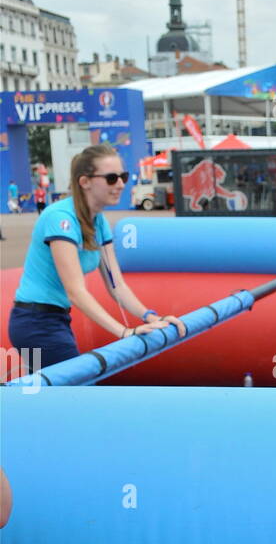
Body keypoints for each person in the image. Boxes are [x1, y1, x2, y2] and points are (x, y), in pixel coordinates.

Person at [7, 143, 184, 373]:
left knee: (54, 398)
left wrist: (150, 316)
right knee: (73, 393)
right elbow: (76, 292)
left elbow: (117, 285)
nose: (121, 184)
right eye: (112, 178)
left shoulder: (98, 222)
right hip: (34, 322)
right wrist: (124, 331)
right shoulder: (60, 218)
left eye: (123, 176)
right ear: (85, 182)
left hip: (55, 320)